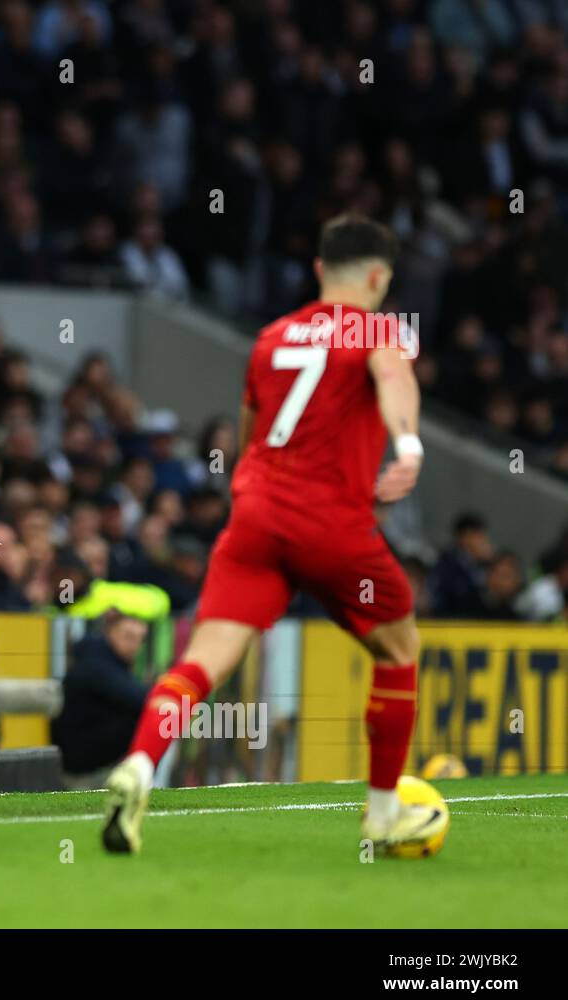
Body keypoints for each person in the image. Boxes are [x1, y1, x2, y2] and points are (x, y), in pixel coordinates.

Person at [104, 214, 440, 858]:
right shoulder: (376, 330)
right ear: (378, 277)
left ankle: (140, 765)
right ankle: (382, 815)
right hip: (330, 522)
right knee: (399, 649)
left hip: (256, 518)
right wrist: (409, 445)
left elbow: (250, 432)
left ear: (318, 269)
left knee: (201, 662)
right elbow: (395, 379)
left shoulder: (270, 337)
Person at [51, 612, 151, 783]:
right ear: (110, 632)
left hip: (82, 753)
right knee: (145, 717)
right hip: (75, 758)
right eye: (128, 637)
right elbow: (141, 700)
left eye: (139, 639)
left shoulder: (105, 660)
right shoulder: (97, 663)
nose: (134, 646)